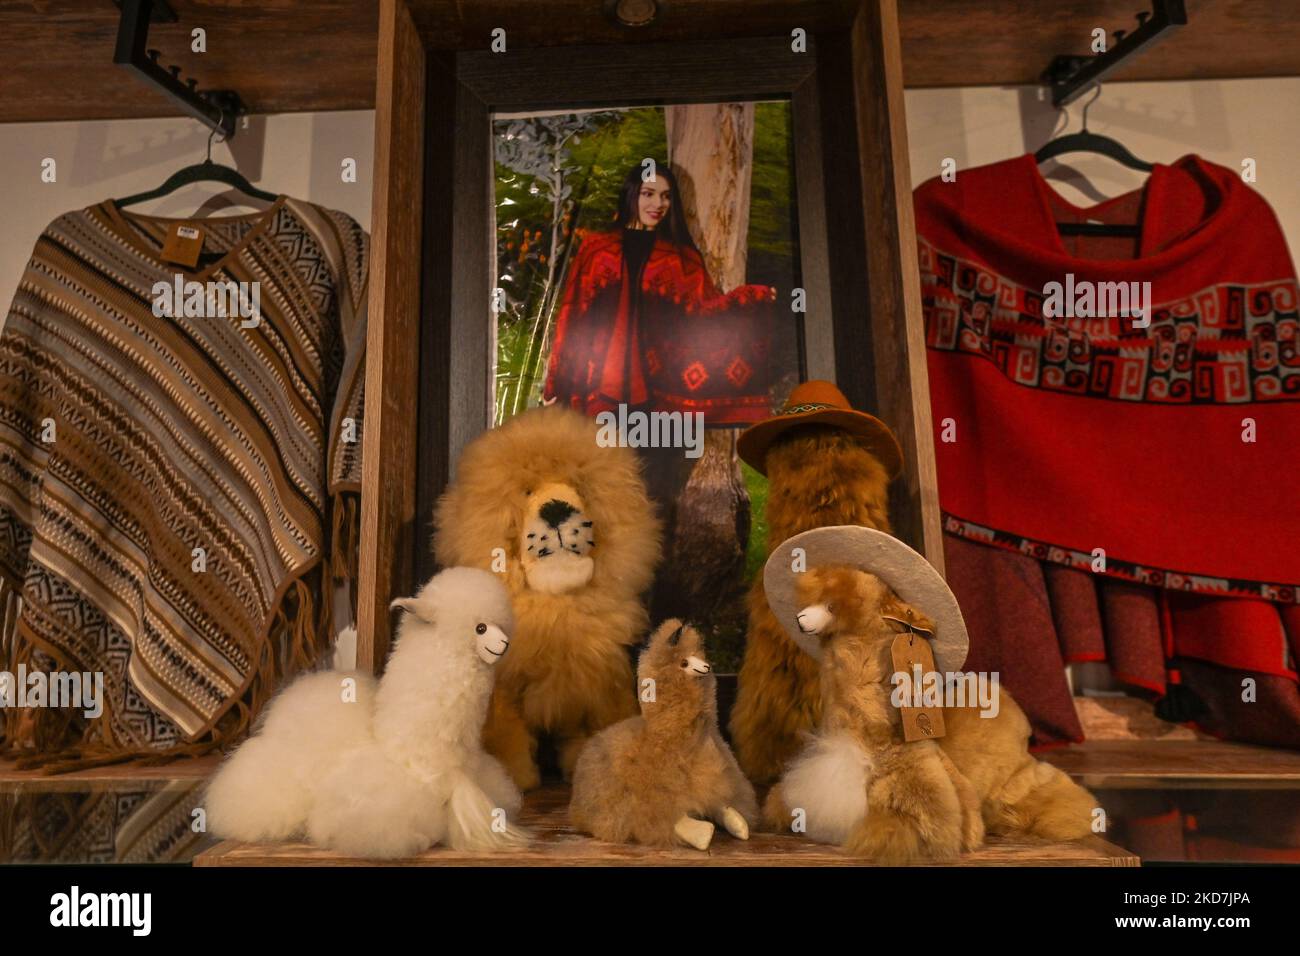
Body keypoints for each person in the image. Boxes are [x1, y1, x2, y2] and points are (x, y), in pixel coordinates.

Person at [543, 162, 778, 425]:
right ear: (632, 194)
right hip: (595, 384)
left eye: (666, 196)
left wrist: (753, 297)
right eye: (648, 193)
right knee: (600, 463)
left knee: (649, 464)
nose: (658, 204)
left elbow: (706, 310)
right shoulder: (596, 249)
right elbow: (572, 314)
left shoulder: (682, 257)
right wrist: (556, 383)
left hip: (655, 398)